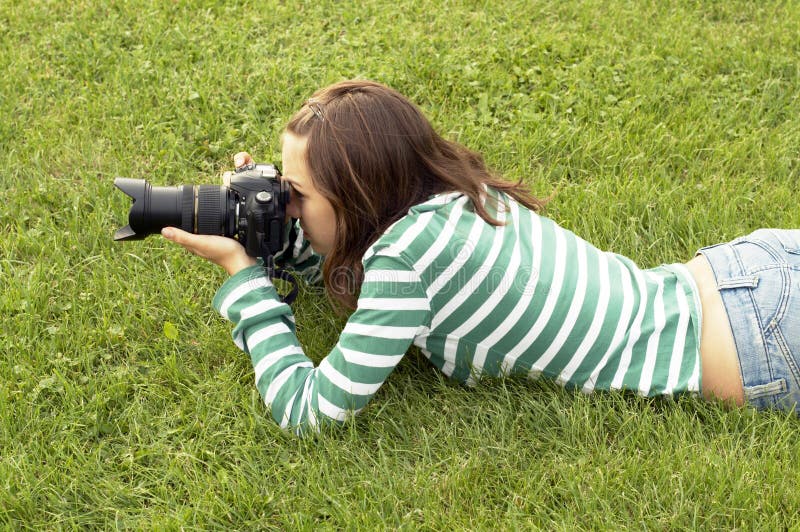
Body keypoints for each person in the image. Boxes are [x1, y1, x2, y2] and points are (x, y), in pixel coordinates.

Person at [161, 79, 800, 434]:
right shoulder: (446, 192)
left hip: (761, 342)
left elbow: (309, 411)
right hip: (743, 271)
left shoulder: (405, 267)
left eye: (295, 195)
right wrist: (273, 229)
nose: (288, 204)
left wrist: (246, 279)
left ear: (358, 199)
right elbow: (342, 247)